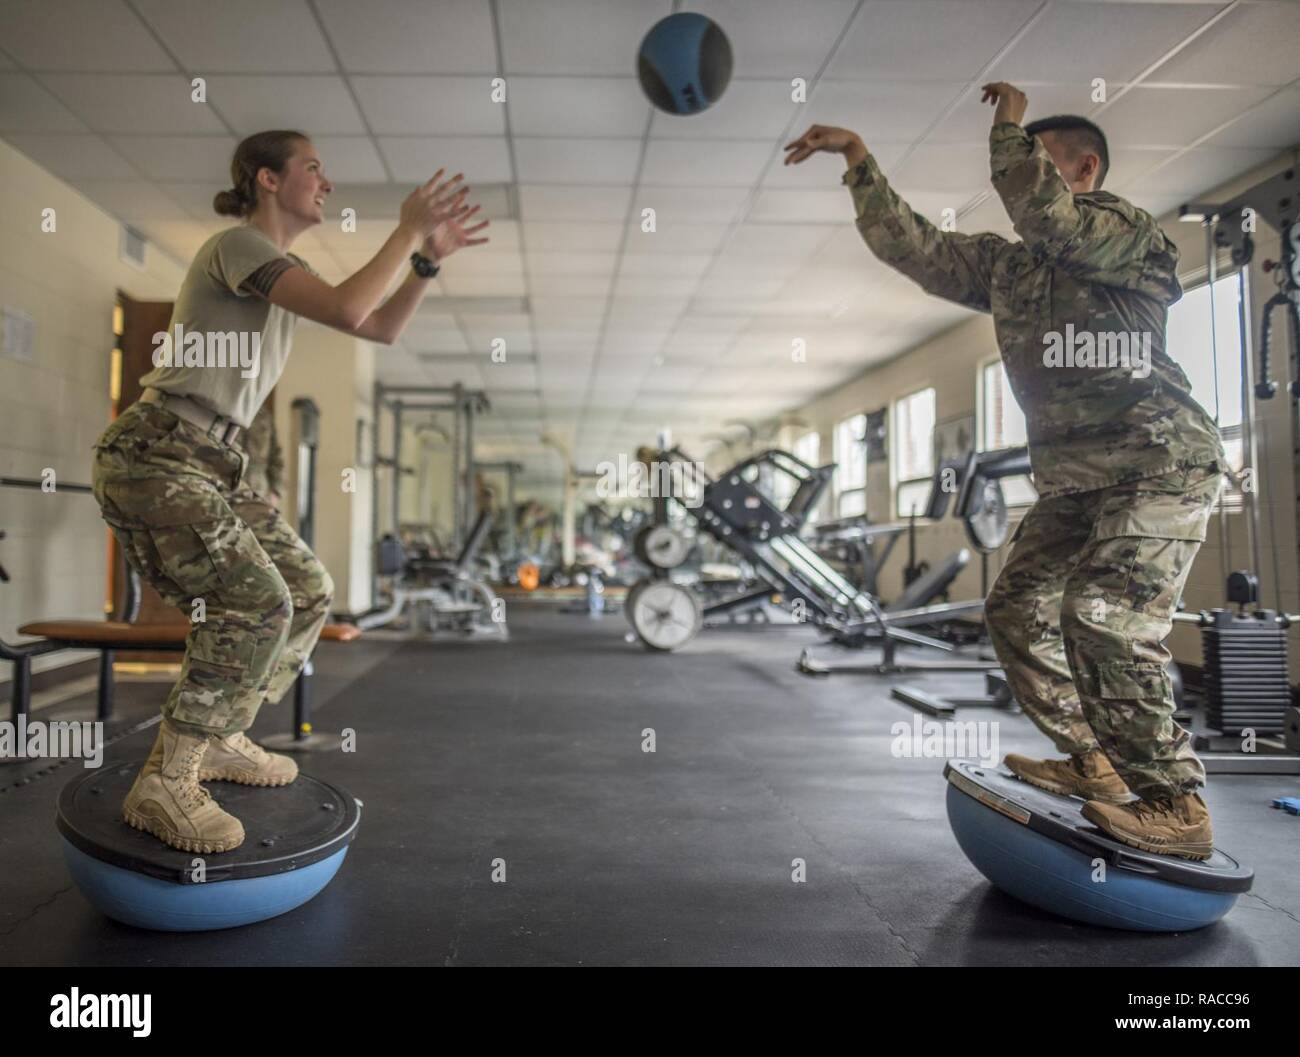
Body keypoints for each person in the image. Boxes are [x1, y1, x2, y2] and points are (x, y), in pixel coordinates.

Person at [784, 83, 1226, 860]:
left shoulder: (1128, 235)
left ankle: (1176, 802)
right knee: (1016, 609)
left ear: (1083, 169)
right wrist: (858, 160)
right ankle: (1093, 759)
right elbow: (914, 247)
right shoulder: (1009, 271)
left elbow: (1048, 215)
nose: (1021, 180)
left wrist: (1008, 128)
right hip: (1077, 480)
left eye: (1038, 163)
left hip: (1159, 464)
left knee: (1100, 614)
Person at [91, 130, 488, 854]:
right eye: (314, 168)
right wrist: (404, 227)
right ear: (266, 180)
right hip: (155, 452)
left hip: (214, 459)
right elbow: (344, 308)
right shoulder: (236, 245)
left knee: (307, 587)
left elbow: (381, 327)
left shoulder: (283, 265)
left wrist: (426, 261)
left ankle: (221, 734)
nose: (326, 183)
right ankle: (166, 778)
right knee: (254, 599)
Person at [240, 399, 284, 508]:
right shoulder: (228, 409)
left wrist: (275, 491)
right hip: (228, 484)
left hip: (260, 490)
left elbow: (276, 456)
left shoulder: (264, 416)